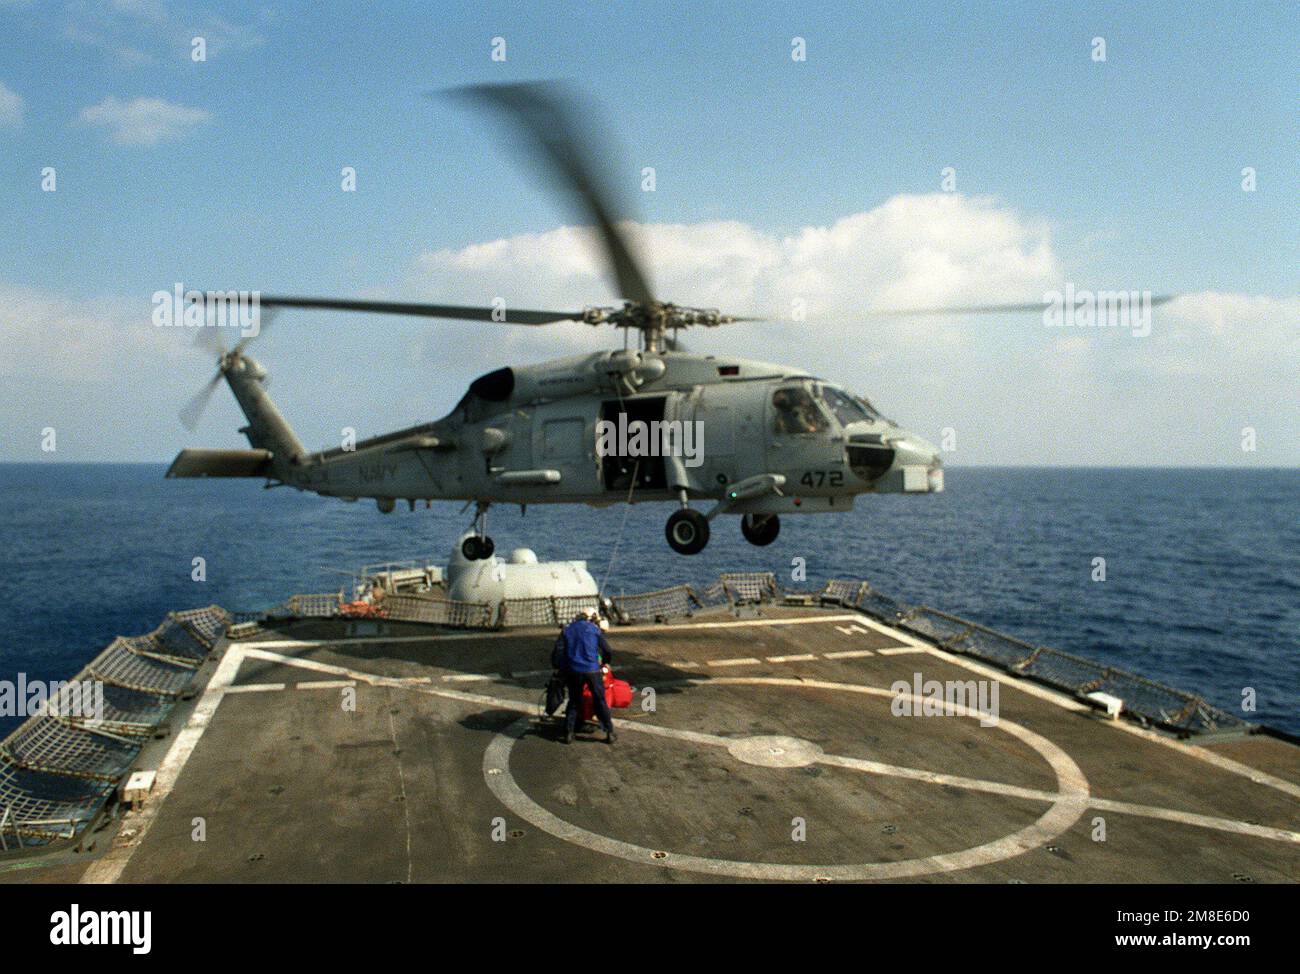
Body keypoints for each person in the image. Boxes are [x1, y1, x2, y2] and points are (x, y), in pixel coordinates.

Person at [554, 610, 616, 744]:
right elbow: (607, 650)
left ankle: (568, 733)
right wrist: (605, 662)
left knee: (574, 701)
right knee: (600, 700)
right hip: (592, 671)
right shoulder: (593, 629)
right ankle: (609, 732)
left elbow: (558, 652)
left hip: (574, 670)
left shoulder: (567, 630)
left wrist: (558, 667)